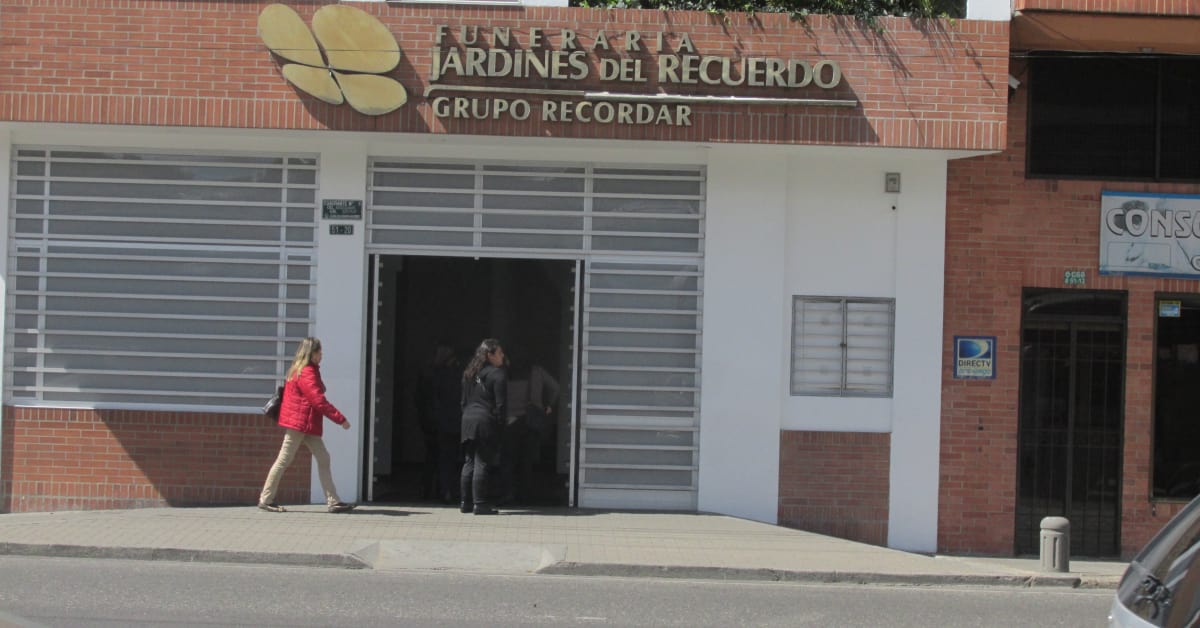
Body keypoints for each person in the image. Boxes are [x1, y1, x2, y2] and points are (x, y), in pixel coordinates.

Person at [258, 337, 356, 514]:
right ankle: (266, 499)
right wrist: (340, 419)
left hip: (305, 423)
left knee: (323, 458)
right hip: (299, 424)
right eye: (319, 351)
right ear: (312, 353)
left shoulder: (301, 370)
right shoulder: (306, 372)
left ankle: (333, 501)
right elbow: (318, 400)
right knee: (284, 460)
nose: (322, 354)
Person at [501, 350, 560, 505]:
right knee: (526, 462)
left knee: (508, 460)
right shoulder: (537, 372)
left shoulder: (504, 373)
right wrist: (548, 405)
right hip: (529, 422)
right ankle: (524, 495)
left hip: (510, 421)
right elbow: (555, 387)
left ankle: (507, 494)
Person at [459, 338, 507, 515]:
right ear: (490, 355)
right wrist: (501, 426)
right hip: (485, 420)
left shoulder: (469, 374)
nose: (503, 356)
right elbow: (501, 405)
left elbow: (463, 401)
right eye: (500, 353)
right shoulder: (498, 374)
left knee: (469, 460)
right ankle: (480, 503)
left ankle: (465, 502)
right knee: (482, 461)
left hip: (468, 420)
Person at [416, 343, 463, 503]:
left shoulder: (435, 375)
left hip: (439, 422)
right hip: (455, 421)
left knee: (439, 457)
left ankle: (440, 490)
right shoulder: (463, 374)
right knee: (453, 458)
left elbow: (428, 399)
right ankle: (449, 490)